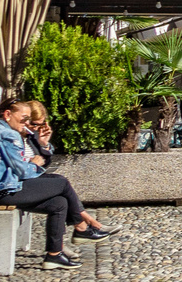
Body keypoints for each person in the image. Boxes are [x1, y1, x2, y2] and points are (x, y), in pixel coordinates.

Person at [0, 99, 96, 269]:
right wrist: (35, 163)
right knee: (61, 183)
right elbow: (23, 171)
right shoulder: (8, 134)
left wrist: (37, 157)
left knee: (59, 203)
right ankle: (81, 228)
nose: (27, 123)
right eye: (24, 119)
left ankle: (54, 255)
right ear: (7, 115)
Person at [15, 101, 117, 241]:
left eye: (42, 124)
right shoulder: (14, 137)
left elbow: (43, 164)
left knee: (60, 201)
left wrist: (43, 144)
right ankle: (86, 224)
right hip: (18, 185)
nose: (37, 129)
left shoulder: (30, 137)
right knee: (61, 183)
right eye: (34, 124)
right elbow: (21, 169)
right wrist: (32, 164)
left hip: (29, 180)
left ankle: (57, 251)